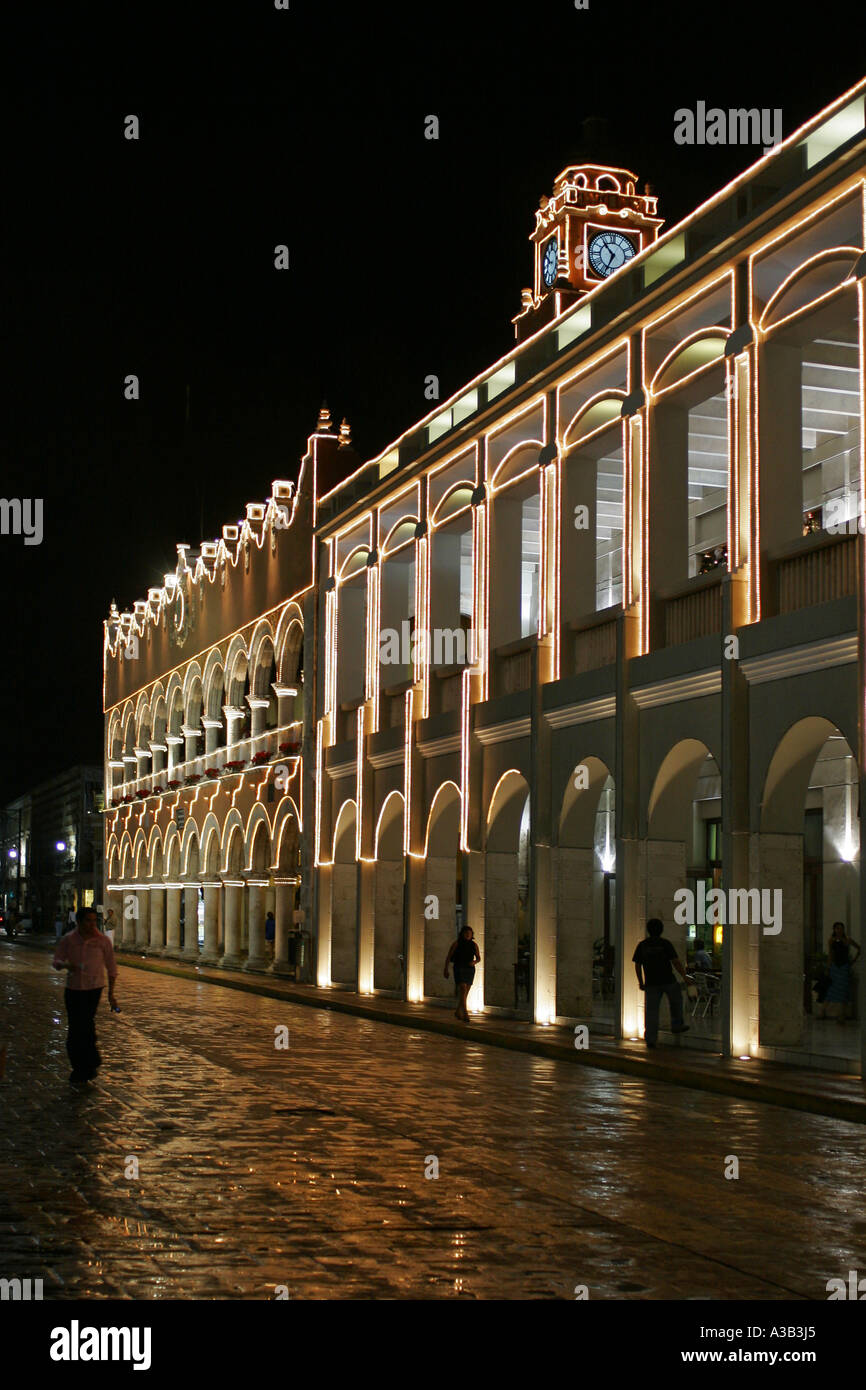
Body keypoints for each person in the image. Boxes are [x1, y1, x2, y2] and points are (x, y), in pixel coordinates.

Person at [52, 905, 119, 1085]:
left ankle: (89, 1064)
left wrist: (111, 994)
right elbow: (56, 960)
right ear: (79, 922)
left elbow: (112, 968)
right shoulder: (69, 940)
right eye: (88, 921)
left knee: (86, 1024)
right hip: (73, 988)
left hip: (94, 988)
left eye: (93, 921)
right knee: (75, 1027)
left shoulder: (103, 941)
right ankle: (80, 1066)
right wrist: (66, 966)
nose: (91, 924)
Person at [633, 918, 690, 1048]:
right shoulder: (665, 944)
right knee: (676, 1002)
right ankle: (677, 1025)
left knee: (651, 1011)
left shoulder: (643, 945)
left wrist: (641, 982)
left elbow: (637, 965)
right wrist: (684, 977)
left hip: (651, 982)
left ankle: (651, 1039)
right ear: (661, 930)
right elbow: (675, 962)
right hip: (668, 980)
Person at [444, 925, 480, 1023]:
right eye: (466, 933)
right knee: (463, 988)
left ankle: (457, 1011)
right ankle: (465, 1013)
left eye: (470, 933)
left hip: (470, 969)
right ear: (462, 934)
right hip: (459, 967)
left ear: (472, 934)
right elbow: (449, 956)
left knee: (465, 993)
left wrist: (474, 962)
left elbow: (478, 958)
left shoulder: (474, 945)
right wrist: (446, 969)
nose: (468, 935)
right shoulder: (457, 944)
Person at [826, 922, 860, 1021]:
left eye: (841, 928)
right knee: (833, 990)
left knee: (844, 990)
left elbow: (859, 948)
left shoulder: (847, 940)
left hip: (844, 967)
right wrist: (828, 968)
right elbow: (830, 955)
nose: (839, 930)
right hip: (835, 967)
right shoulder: (831, 940)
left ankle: (842, 1014)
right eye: (837, 928)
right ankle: (834, 1013)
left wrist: (853, 961)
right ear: (834, 930)